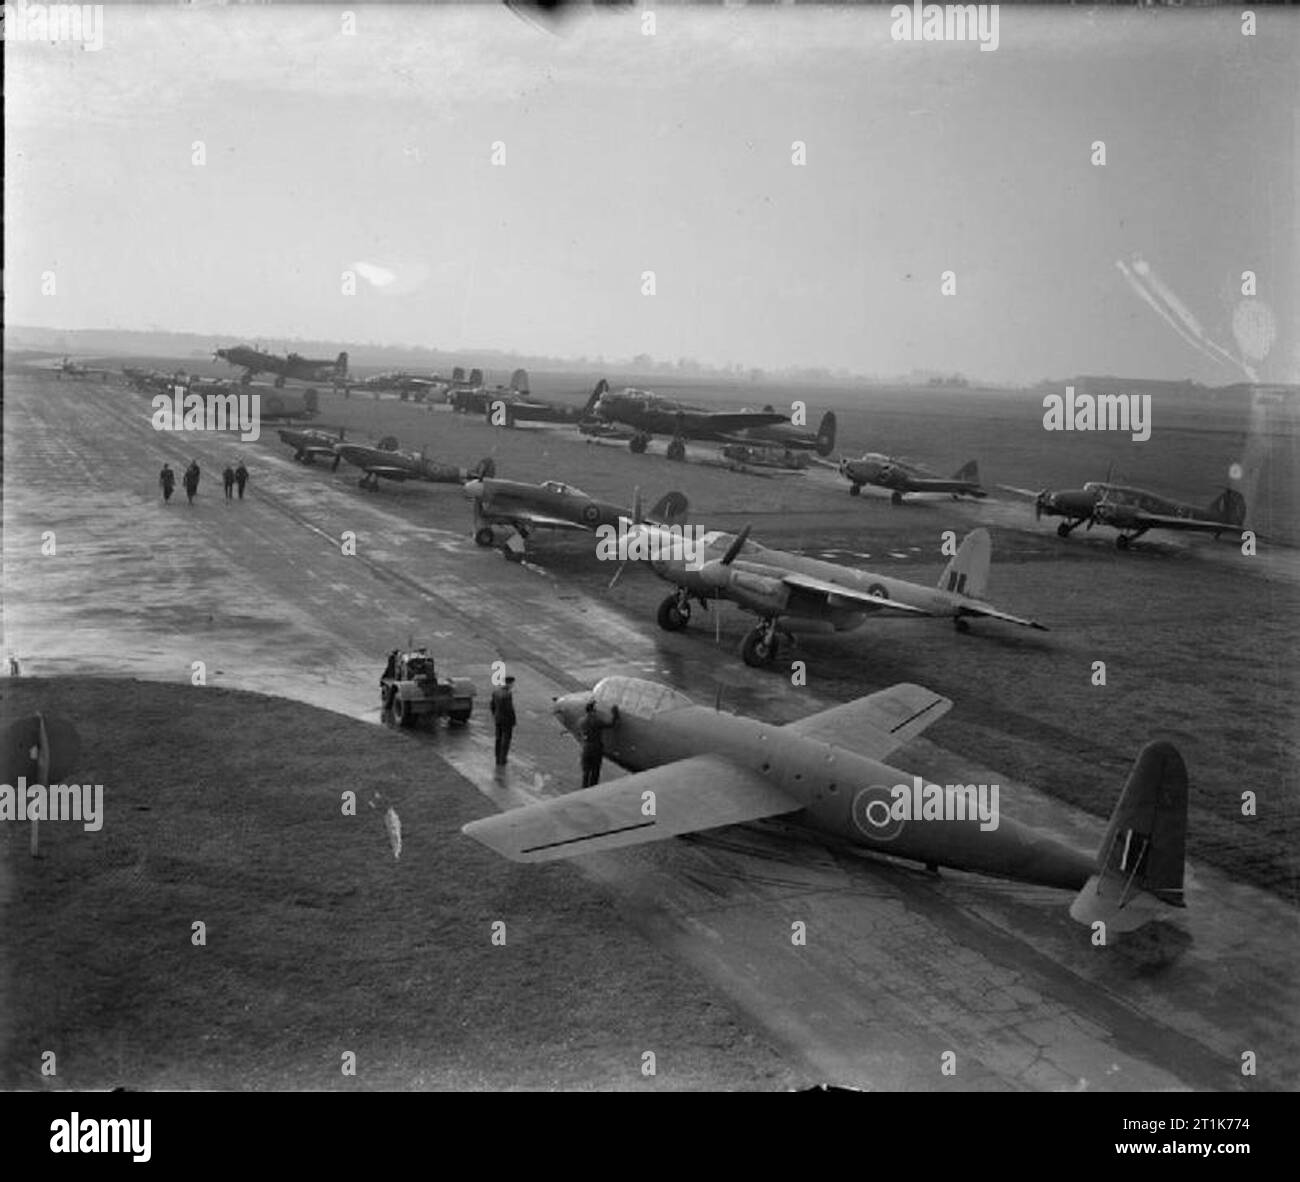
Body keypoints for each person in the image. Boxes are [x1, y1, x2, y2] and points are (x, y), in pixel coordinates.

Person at [578, 700, 620, 787]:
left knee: (586, 772)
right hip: (596, 748)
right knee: (595, 772)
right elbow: (611, 724)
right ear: (593, 711)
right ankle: (592, 790)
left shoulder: (581, 721)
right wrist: (615, 714)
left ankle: (584, 789)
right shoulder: (596, 721)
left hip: (585, 748)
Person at [489, 675, 517, 767]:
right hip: (506, 720)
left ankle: (497, 757)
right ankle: (503, 759)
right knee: (506, 740)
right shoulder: (507, 694)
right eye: (513, 683)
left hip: (498, 718)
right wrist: (513, 720)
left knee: (498, 738)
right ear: (510, 683)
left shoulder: (496, 692)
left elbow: (492, 705)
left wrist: (495, 715)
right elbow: (509, 709)